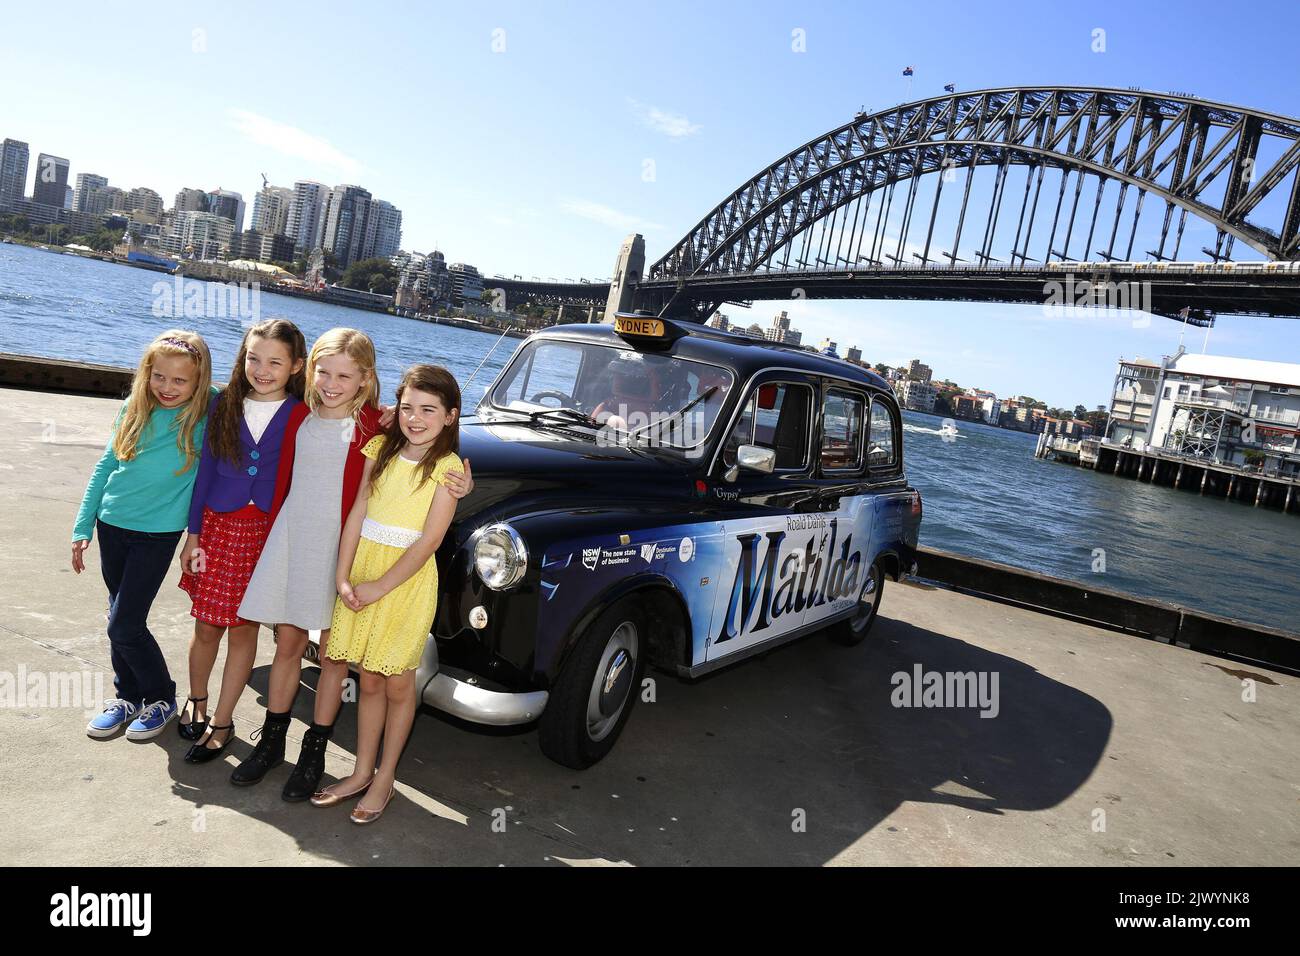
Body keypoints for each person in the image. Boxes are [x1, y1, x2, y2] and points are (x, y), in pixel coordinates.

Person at [232, 330, 472, 800]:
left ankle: (315, 752)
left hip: (351, 551)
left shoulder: (372, 428)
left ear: (366, 379)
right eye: (324, 371)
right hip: (306, 542)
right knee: (288, 642)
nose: (332, 382)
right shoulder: (299, 414)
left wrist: (463, 480)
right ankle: (273, 741)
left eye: (346, 375)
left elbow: (425, 459)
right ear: (308, 370)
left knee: (334, 657)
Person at [311, 365, 463, 824]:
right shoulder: (381, 448)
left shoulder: (448, 470)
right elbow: (359, 509)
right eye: (408, 408)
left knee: (397, 683)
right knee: (368, 678)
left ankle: (385, 777)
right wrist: (343, 576)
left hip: (404, 584)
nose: (416, 419)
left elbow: (430, 540)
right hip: (361, 571)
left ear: (451, 416)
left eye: (429, 410)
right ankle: (360, 771)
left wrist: (379, 586)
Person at [176, 319, 308, 763]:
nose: (263, 369)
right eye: (254, 358)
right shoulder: (225, 403)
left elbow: (352, 421)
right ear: (242, 358)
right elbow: (206, 471)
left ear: (295, 366)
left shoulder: (300, 413)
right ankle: (197, 699)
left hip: (263, 536)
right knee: (207, 624)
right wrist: (193, 534)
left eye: (275, 361)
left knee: (243, 628)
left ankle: (224, 721)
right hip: (216, 527)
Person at [74, 330, 214, 741]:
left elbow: (254, 390)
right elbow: (105, 468)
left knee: (124, 624)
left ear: (198, 381)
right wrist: (83, 526)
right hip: (111, 524)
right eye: (159, 376)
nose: (167, 388)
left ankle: (161, 697)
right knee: (117, 613)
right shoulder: (134, 408)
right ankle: (129, 695)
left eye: (180, 380)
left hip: (157, 534)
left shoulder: (204, 416)